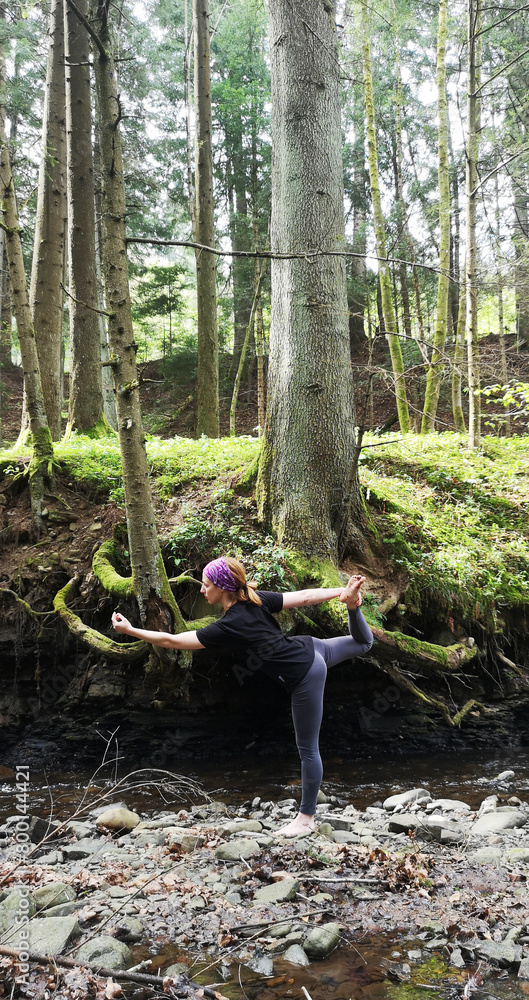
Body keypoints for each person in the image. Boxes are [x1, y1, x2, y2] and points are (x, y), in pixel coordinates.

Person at [112, 556, 373, 838]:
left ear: (222, 589)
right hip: (314, 649)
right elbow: (307, 597)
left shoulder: (228, 626)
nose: (202, 590)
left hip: (305, 673)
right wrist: (342, 594)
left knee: (308, 748)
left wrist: (129, 630)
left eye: (206, 584)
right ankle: (352, 607)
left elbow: (173, 641)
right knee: (364, 642)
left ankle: (306, 818)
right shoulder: (255, 599)